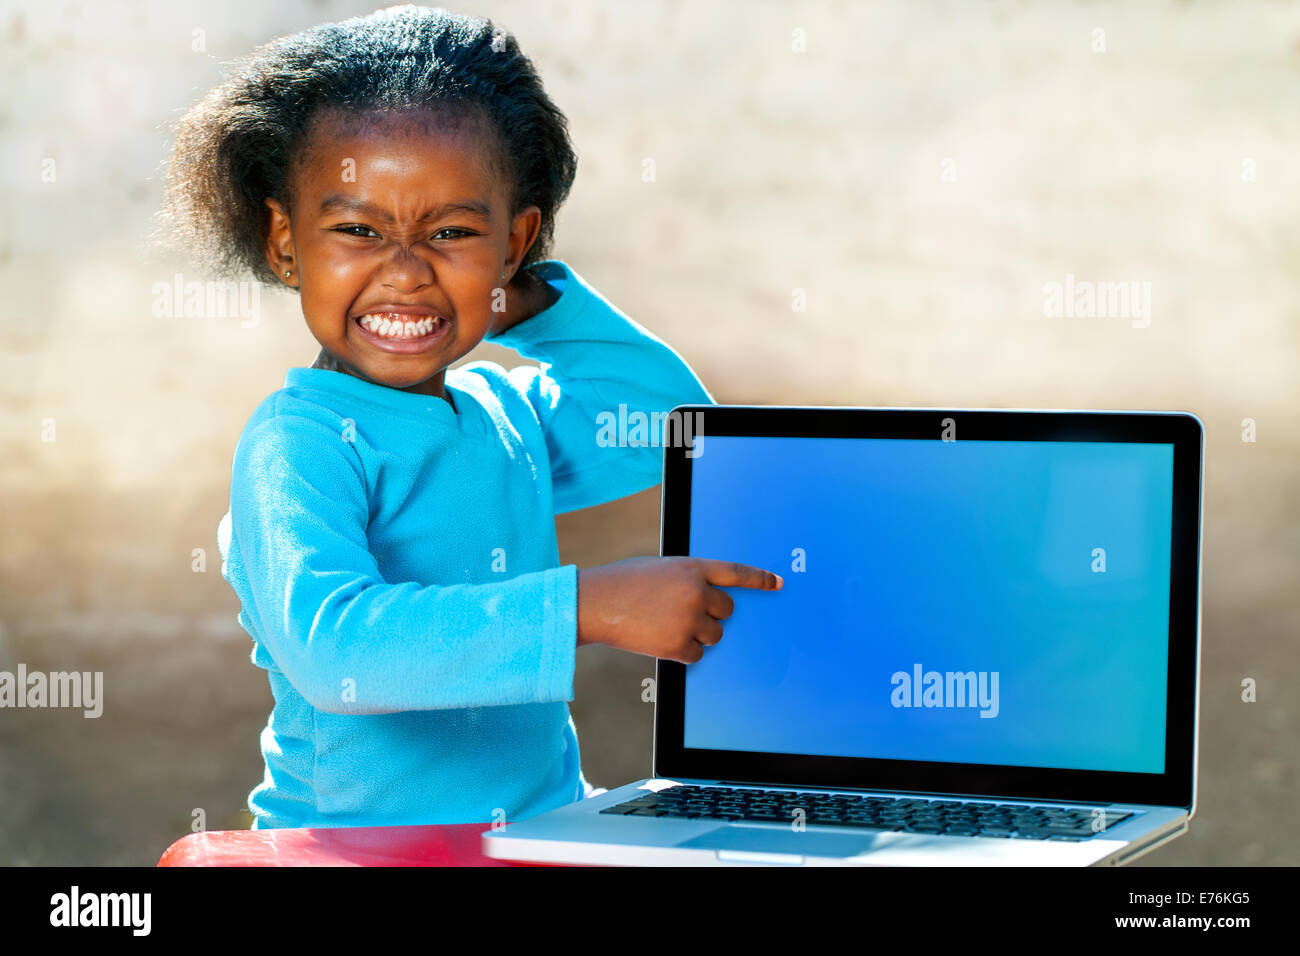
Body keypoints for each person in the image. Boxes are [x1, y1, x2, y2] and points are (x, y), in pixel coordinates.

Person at [158, 5, 782, 830]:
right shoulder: (296, 445)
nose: (407, 272)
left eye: (452, 231)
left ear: (514, 242)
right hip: (353, 852)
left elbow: (664, 416)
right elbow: (337, 649)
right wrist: (588, 609)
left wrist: (525, 299)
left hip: (545, 831)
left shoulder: (503, 417)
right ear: (284, 242)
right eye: (356, 229)